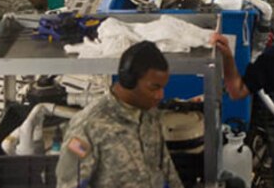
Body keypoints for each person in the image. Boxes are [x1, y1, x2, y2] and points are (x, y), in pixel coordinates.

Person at [56, 41, 183, 188]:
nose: (160, 95)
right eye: (154, 88)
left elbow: (166, 169)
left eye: (162, 87)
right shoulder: (87, 127)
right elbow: (69, 184)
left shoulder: (148, 115)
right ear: (129, 80)